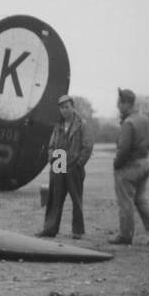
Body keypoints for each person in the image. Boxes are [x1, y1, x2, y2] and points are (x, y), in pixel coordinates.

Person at [36, 94, 94, 239]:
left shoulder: (82, 124)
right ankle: (50, 229)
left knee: (76, 199)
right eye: (61, 108)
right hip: (58, 164)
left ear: (73, 107)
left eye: (67, 107)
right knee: (54, 199)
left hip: (74, 166)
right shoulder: (58, 126)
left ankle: (77, 232)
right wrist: (52, 160)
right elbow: (51, 146)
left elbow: (87, 147)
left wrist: (79, 164)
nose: (64, 110)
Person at [111, 88, 149, 246]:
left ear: (127, 104)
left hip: (129, 167)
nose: (118, 105)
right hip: (144, 164)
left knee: (125, 202)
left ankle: (125, 235)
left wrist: (117, 164)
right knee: (140, 199)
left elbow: (124, 149)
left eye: (120, 103)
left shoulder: (128, 123)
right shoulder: (146, 120)